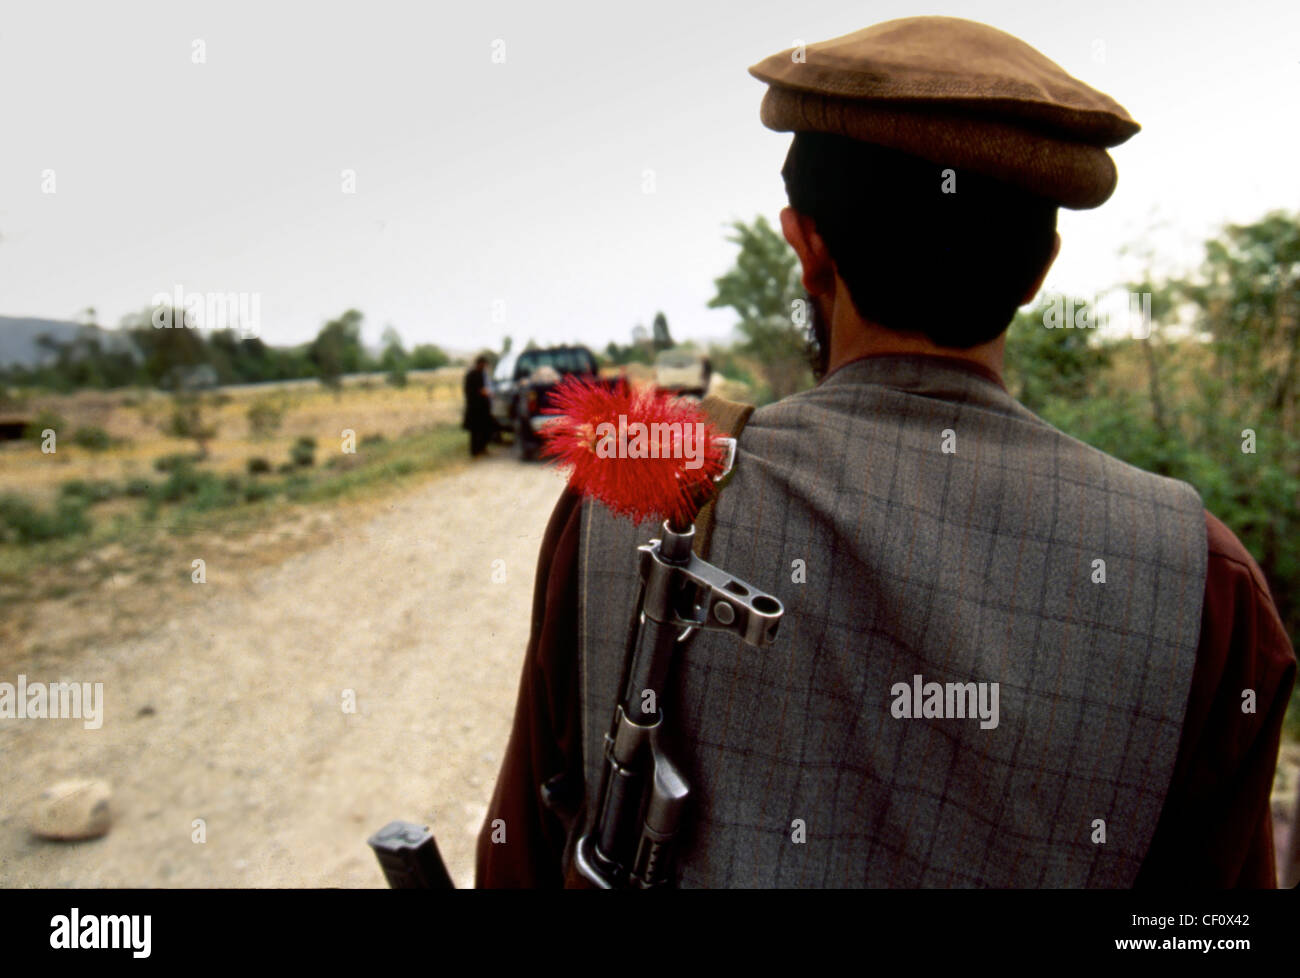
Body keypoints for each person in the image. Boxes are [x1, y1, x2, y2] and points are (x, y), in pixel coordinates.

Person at [476, 16, 1295, 887]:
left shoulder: (633, 488)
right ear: (1039, 270)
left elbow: (520, 859)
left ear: (807, 245)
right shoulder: (1208, 584)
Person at [462, 355, 494, 457]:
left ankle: (482, 448)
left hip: (483, 407)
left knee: (485, 429)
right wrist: (484, 392)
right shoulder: (471, 375)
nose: (484, 366)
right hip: (474, 408)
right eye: (483, 364)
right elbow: (471, 391)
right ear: (479, 364)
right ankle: (475, 451)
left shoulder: (482, 374)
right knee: (475, 431)